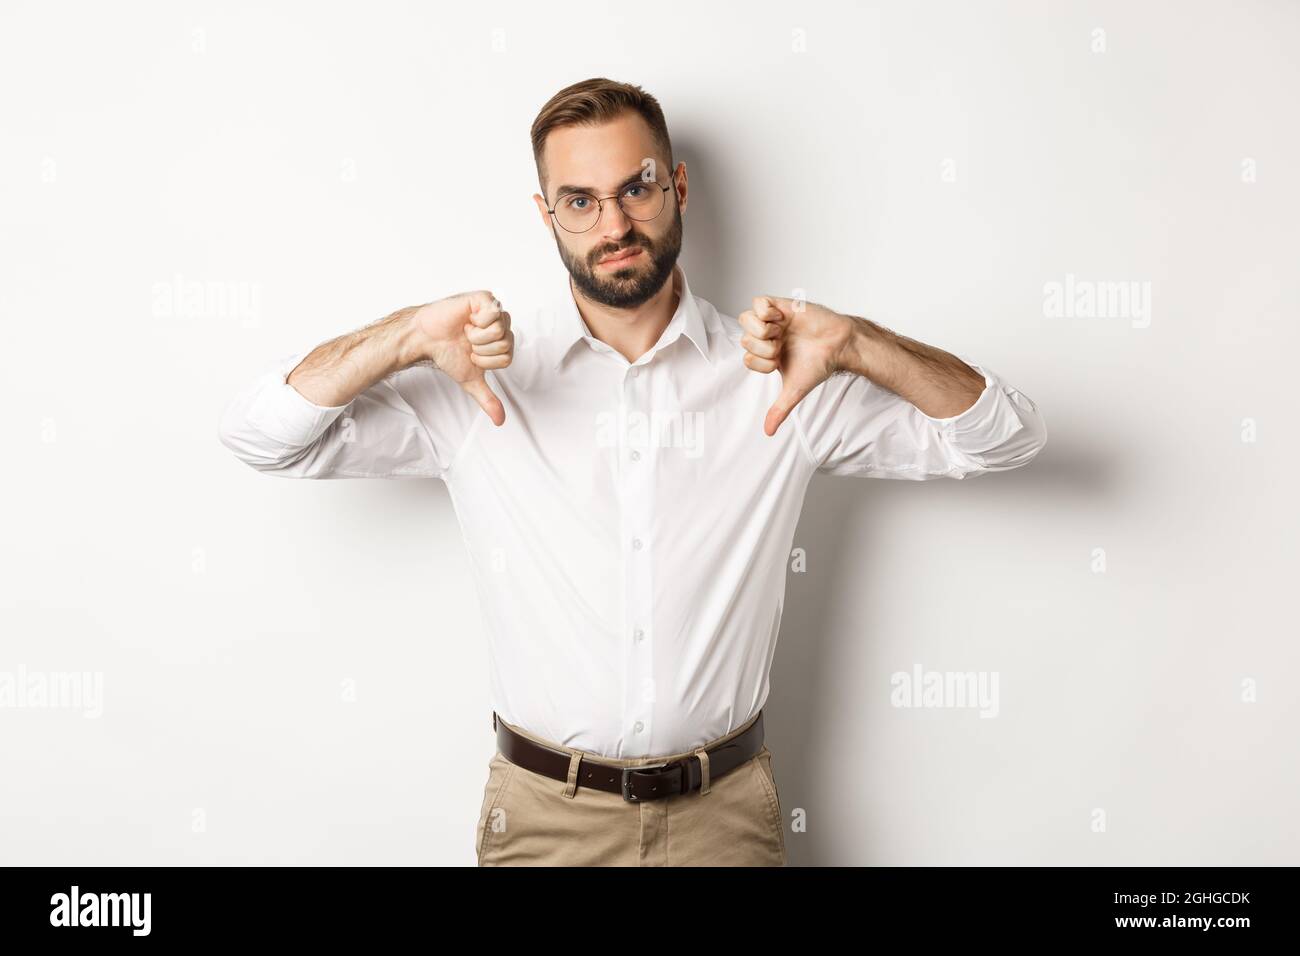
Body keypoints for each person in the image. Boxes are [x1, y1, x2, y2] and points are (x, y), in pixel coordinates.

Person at [216, 77, 1048, 866]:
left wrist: (859, 342)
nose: (613, 223)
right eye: (580, 201)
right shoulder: (474, 381)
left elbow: (1004, 436)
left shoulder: (782, 376)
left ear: (678, 188)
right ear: (547, 216)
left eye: (636, 188)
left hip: (725, 818)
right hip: (542, 821)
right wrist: (405, 334)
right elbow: (263, 437)